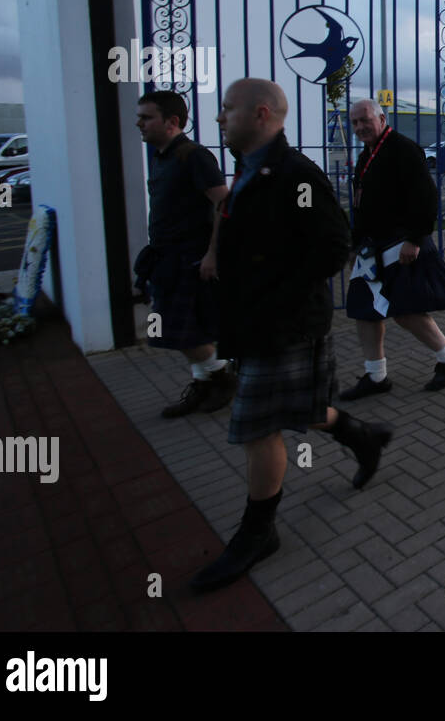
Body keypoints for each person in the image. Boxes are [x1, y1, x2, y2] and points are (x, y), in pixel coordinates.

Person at [189, 78, 391, 593]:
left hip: (281, 325)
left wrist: (271, 295)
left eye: (226, 109)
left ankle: (258, 533)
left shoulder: (296, 175)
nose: (218, 118)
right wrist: (218, 256)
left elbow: (331, 247)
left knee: (257, 425)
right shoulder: (251, 167)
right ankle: (362, 436)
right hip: (257, 321)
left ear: (260, 114)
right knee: (291, 408)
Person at [339, 98, 445, 401]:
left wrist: (414, 239)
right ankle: (376, 376)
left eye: (364, 120)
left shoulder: (404, 149)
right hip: (371, 248)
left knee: (406, 313)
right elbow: (362, 205)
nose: (359, 127)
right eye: (354, 122)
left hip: (401, 245)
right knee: (366, 311)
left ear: (381, 118)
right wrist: (354, 247)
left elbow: (426, 198)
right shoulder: (367, 155)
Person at [133, 90, 236, 418]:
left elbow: (224, 204)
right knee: (176, 331)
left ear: (172, 122)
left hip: (189, 260)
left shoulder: (193, 156)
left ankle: (221, 375)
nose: (140, 124)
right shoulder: (162, 156)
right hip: (165, 261)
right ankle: (204, 383)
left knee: (178, 330)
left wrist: (212, 254)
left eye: (147, 117)